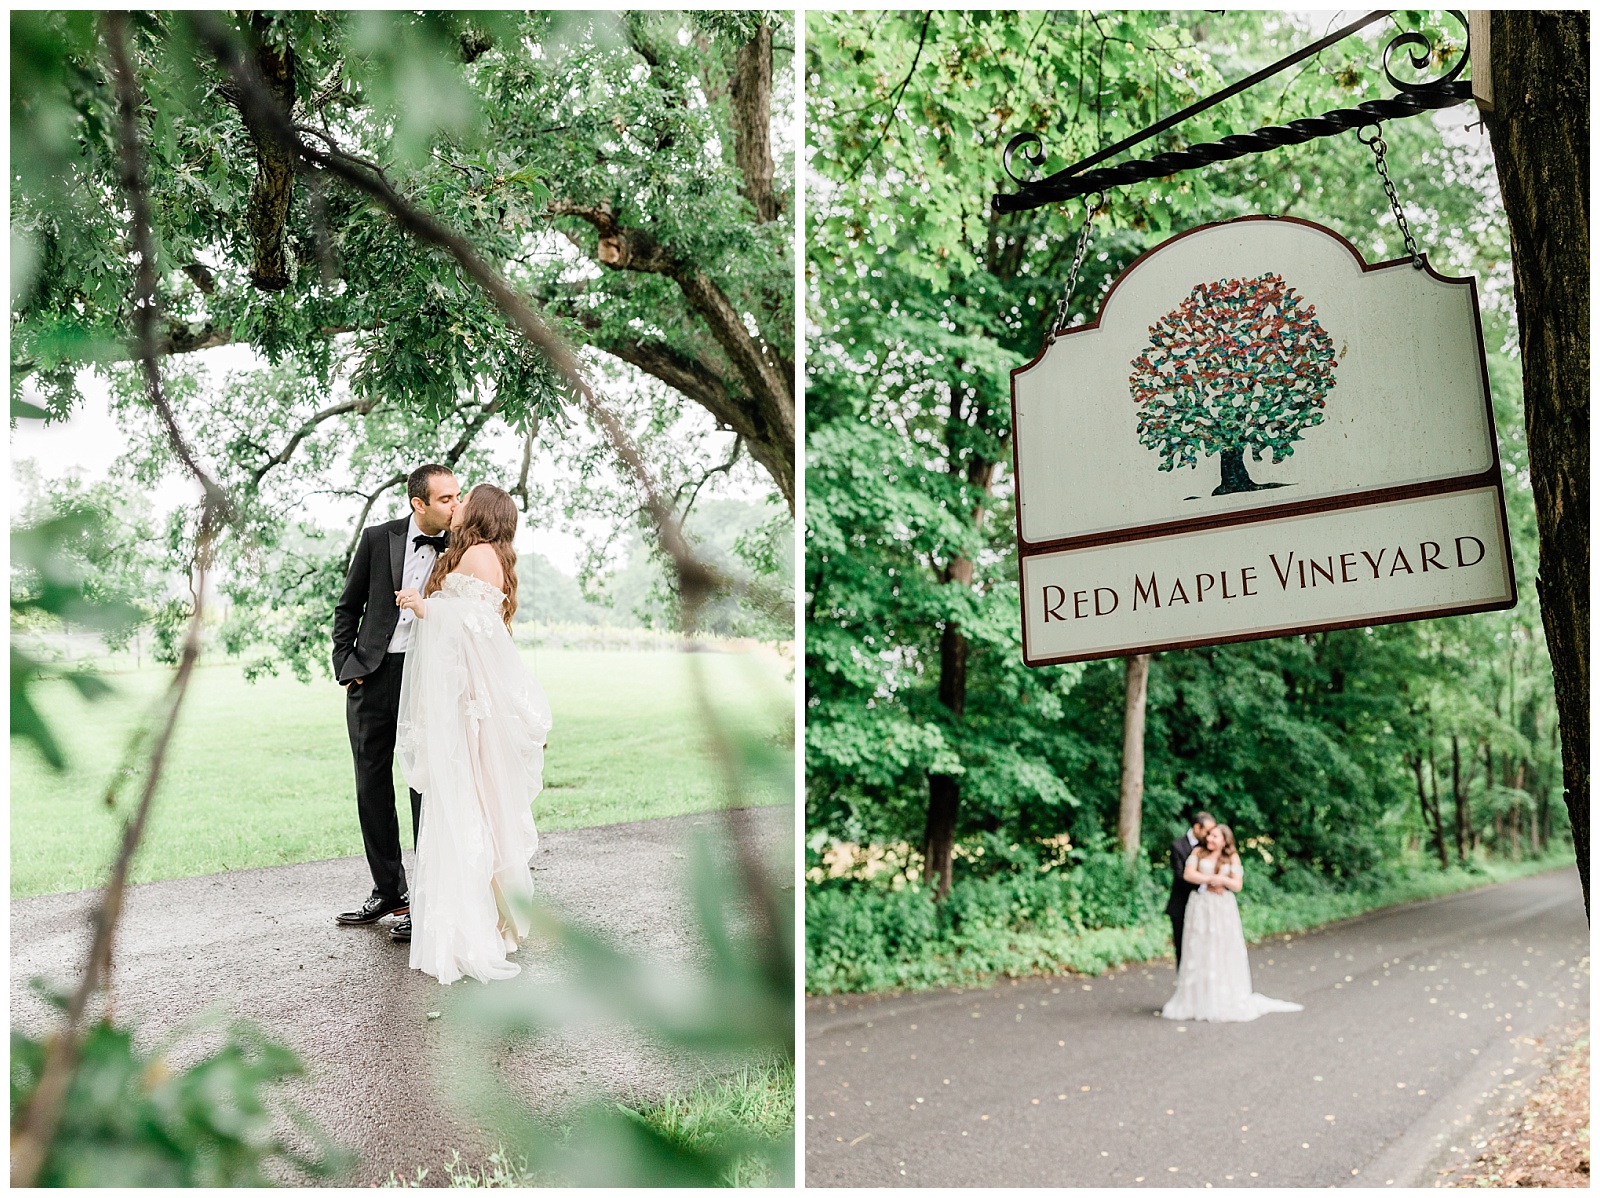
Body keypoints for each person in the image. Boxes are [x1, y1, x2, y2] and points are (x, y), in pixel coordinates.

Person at [394, 484, 551, 984]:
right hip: (464, 703)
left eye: (465, 498)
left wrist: (427, 608)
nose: (456, 504)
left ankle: (493, 920)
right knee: (471, 805)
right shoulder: (479, 555)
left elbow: (476, 628)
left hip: (474, 709)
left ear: (479, 512)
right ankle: (496, 919)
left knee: (476, 805)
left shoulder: (482, 555)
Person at [331, 463, 460, 942]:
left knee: (423, 784)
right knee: (371, 784)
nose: (454, 505)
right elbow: (348, 606)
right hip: (372, 676)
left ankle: (426, 901)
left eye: (457, 496)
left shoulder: (464, 547)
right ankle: (389, 891)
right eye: (445, 499)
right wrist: (348, 666)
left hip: (426, 677)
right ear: (417, 503)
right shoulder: (377, 538)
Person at [1161, 823, 1303, 1022]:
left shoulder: (1232, 857)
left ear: (1225, 840)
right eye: (1209, 835)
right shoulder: (1198, 852)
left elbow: (1237, 884)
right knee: (1198, 948)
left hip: (1222, 908)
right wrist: (1212, 879)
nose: (1210, 839)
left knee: (1222, 948)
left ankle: (1222, 998)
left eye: (1215, 836)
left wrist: (1223, 881)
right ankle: (1195, 1000)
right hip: (1200, 906)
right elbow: (1188, 874)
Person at [1167, 810, 1214, 967]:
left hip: (1206, 905)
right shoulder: (1177, 846)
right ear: (1196, 828)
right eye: (1207, 831)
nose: (1210, 835)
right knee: (1182, 947)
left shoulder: (1210, 846)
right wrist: (1206, 884)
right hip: (1181, 904)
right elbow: (1180, 876)